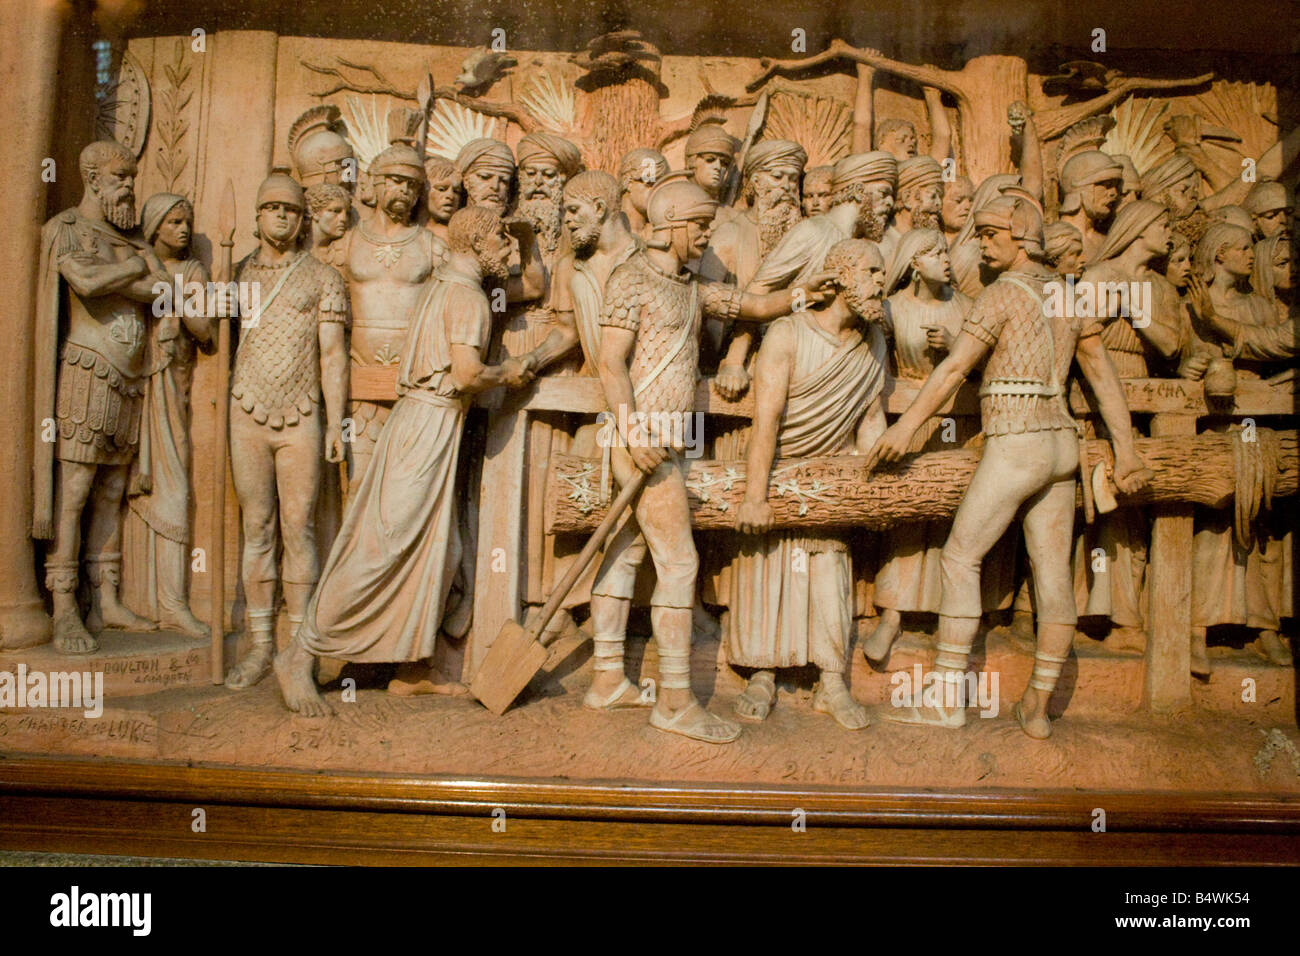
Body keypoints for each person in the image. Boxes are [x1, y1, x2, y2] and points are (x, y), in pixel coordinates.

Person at [865, 191, 1151, 738]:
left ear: (1021, 237)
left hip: (1016, 441)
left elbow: (951, 372)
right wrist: (1128, 449)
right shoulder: (1067, 295)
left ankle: (949, 695)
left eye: (990, 235)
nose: (980, 245)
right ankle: (1037, 706)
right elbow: (1102, 378)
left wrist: (905, 427)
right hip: (1061, 445)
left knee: (959, 558)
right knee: (1051, 574)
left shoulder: (1000, 296)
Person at [586, 178, 830, 740]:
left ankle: (605, 681)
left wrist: (806, 293)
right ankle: (674, 700)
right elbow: (610, 365)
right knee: (679, 565)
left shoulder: (693, 288)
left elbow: (757, 305)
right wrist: (631, 432)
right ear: (670, 223)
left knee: (626, 556)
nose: (705, 238)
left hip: (667, 439)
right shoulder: (630, 280)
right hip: (641, 443)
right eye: (698, 227)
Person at [277, 207, 536, 715]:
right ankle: (299, 654)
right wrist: (507, 372)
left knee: (444, 552)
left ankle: (411, 668)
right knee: (379, 548)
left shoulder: (442, 287)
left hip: (425, 425)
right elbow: (464, 376)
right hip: (428, 428)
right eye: (503, 244)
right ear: (477, 244)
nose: (508, 254)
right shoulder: (467, 297)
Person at [729, 238, 890, 728]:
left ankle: (832, 681)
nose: (881, 282)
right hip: (778, 467)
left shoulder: (874, 341)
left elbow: (869, 417)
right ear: (840, 278)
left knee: (827, 573)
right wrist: (756, 497)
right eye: (872, 272)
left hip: (830, 477)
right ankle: (761, 672)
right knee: (767, 564)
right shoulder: (787, 334)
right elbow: (767, 419)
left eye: (883, 274)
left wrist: (874, 486)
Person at [35, 140, 162, 651]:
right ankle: (64, 604)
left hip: (128, 379)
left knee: (111, 489)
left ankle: (104, 596)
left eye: (131, 177)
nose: (130, 186)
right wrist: (133, 270)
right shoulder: (66, 228)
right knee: (75, 489)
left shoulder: (127, 239)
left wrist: (128, 275)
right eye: (120, 177)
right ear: (92, 178)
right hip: (85, 370)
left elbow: (162, 291)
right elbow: (85, 283)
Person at [224, 174, 349, 689]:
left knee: (298, 527)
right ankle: (259, 645)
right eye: (271, 207)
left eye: (290, 210)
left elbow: (333, 355)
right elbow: (210, 337)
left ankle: (300, 650)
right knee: (257, 526)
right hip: (245, 409)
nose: (281, 216)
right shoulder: (232, 275)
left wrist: (337, 422)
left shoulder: (323, 278)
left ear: (302, 219)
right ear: (257, 216)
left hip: (302, 412)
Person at [122, 193, 214, 639]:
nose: (182, 229)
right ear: (155, 225)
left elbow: (205, 329)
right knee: (119, 486)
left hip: (171, 388)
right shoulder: (136, 261)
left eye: (187, 222)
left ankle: (174, 602)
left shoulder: (193, 271)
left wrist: (178, 300)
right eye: (174, 221)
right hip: (129, 384)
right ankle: (126, 599)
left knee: (173, 489)